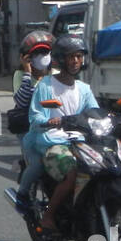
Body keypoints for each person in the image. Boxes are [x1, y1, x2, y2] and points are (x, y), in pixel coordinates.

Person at [16, 36, 97, 230]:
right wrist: (48, 121)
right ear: (61, 59)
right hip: (50, 141)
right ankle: (48, 216)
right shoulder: (45, 86)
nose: (76, 61)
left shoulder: (84, 89)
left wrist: (118, 116)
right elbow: (35, 117)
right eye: (71, 57)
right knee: (71, 173)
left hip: (77, 141)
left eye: (79, 56)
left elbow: (94, 111)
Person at [9, 30, 56, 217]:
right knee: (37, 164)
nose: (41, 57)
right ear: (26, 58)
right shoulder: (20, 76)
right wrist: (28, 73)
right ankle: (22, 195)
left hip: (56, 128)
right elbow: (21, 101)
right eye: (36, 54)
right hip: (30, 131)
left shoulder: (57, 75)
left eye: (45, 53)